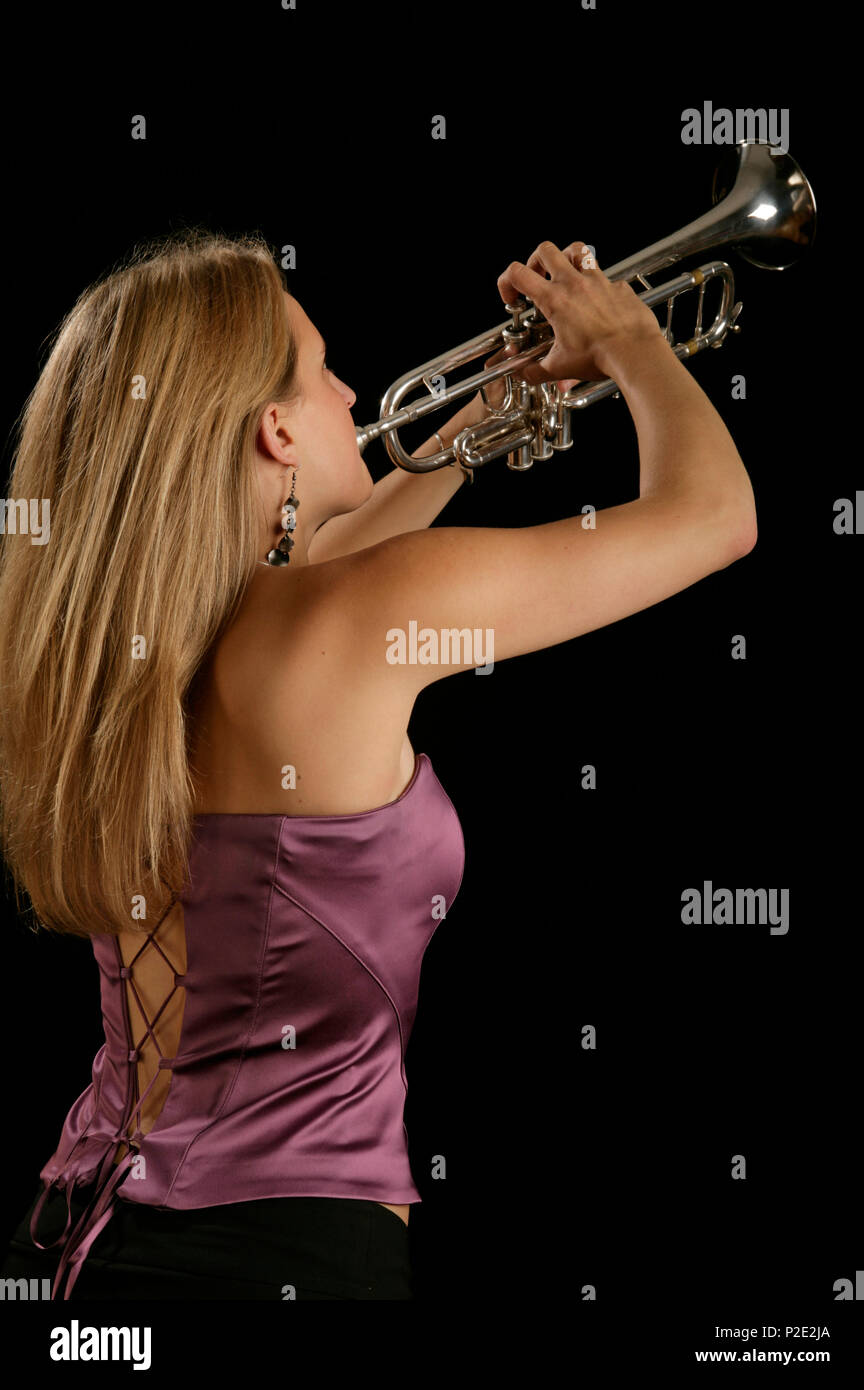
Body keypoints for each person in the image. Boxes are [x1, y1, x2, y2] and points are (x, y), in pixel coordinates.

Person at [0, 230, 756, 1301]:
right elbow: (716, 518)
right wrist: (636, 345)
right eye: (321, 369)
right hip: (281, 1261)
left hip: (70, 1240)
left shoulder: (117, 649)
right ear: (273, 431)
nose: (355, 387)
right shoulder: (350, 615)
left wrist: (480, 417)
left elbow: (318, 582)